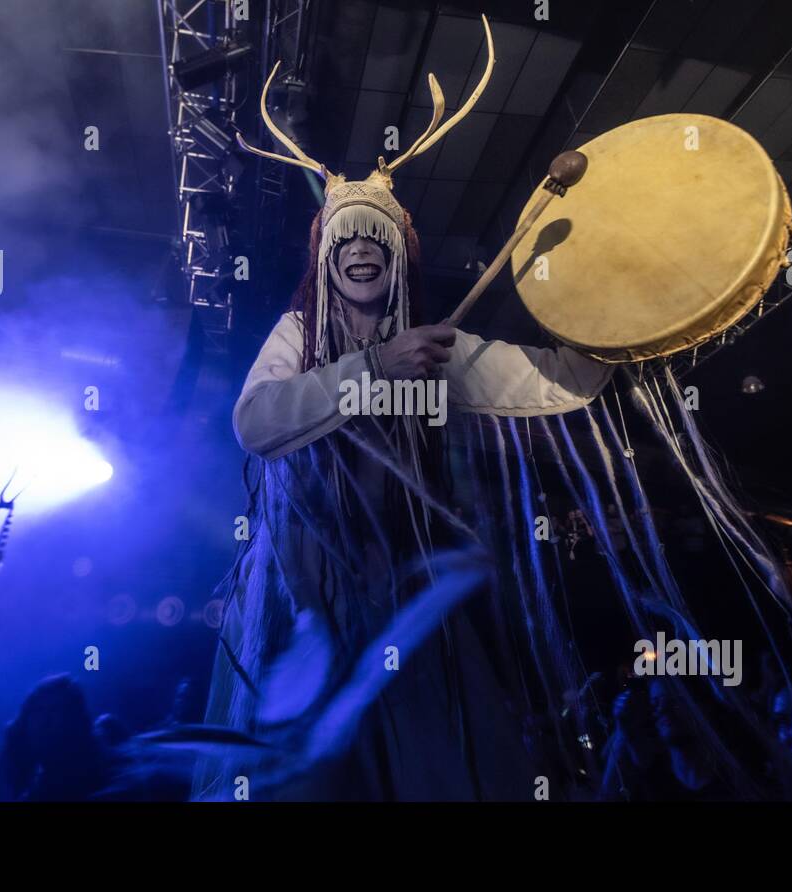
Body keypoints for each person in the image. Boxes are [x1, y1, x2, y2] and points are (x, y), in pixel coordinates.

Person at [196, 21, 612, 800]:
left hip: (402, 592)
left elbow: (564, 383)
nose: (362, 249)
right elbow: (255, 425)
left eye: (377, 241)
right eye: (348, 238)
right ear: (325, 254)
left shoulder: (432, 348)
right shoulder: (299, 333)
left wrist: (616, 314)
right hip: (302, 587)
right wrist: (371, 368)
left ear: (396, 258)